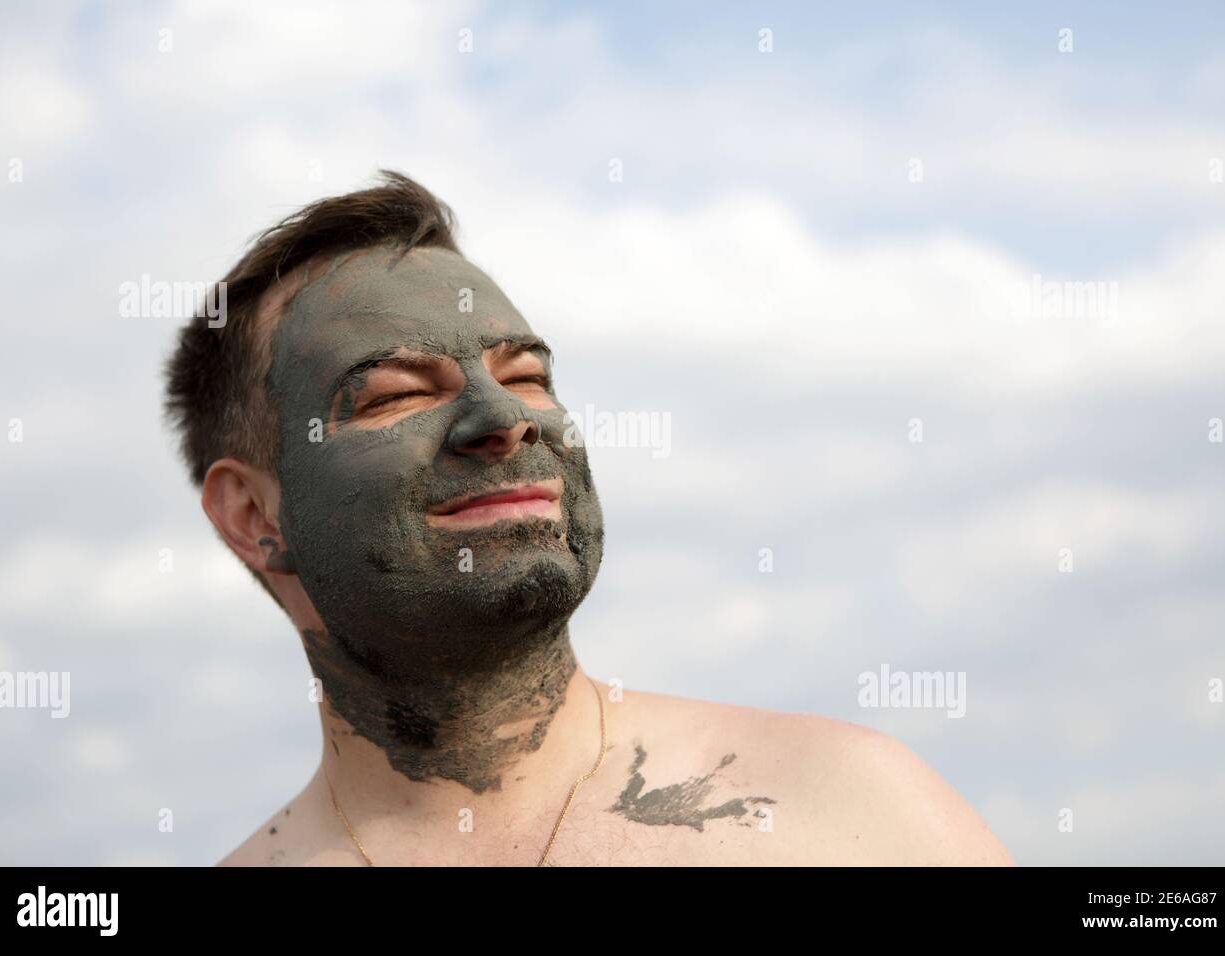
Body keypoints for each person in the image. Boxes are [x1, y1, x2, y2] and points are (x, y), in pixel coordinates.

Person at [164, 171, 1013, 866]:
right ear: (252, 515)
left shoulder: (847, 813)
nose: (506, 420)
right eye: (396, 394)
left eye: (527, 375)